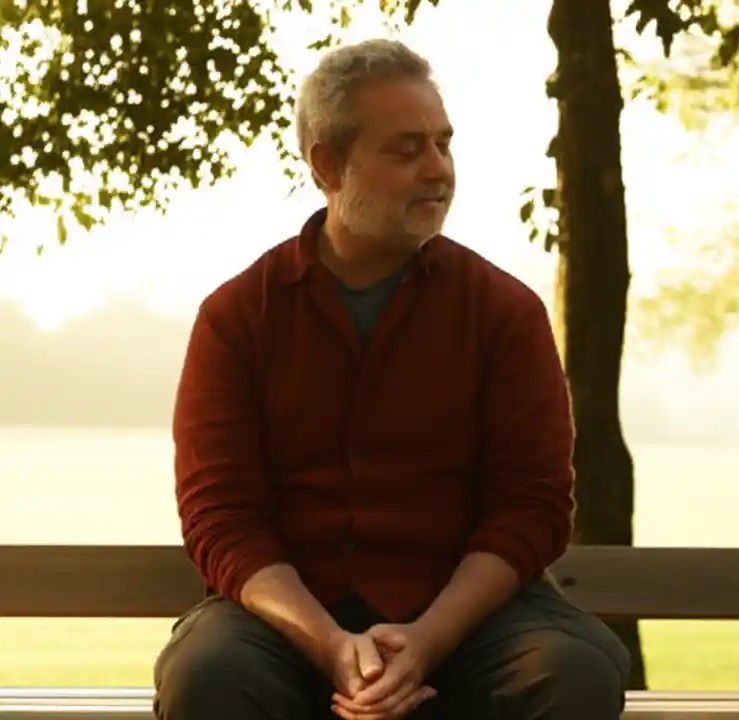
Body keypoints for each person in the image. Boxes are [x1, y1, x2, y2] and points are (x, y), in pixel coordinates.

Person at [153, 39, 629, 720]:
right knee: (210, 677)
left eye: (444, 145)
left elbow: (532, 508)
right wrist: (329, 645)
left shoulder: (503, 313)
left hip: (474, 619)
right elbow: (221, 519)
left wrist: (427, 642)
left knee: (571, 673)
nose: (438, 171)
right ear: (328, 164)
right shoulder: (238, 317)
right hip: (286, 623)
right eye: (407, 151)